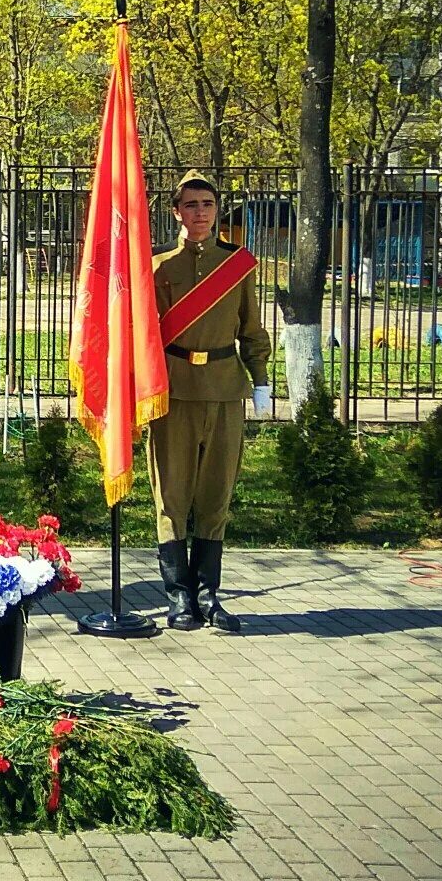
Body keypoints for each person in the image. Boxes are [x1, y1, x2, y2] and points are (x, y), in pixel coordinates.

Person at [148, 171, 272, 633]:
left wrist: (260, 380)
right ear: (176, 211)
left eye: (207, 204)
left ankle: (208, 594)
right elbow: (143, 335)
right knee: (173, 494)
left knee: (216, 494)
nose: (199, 212)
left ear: (217, 210)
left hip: (224, 390)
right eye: (190, 204)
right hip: (175, 391)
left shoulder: (237, 266)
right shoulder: (159, 268)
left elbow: (251, 329)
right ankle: (179, 597)